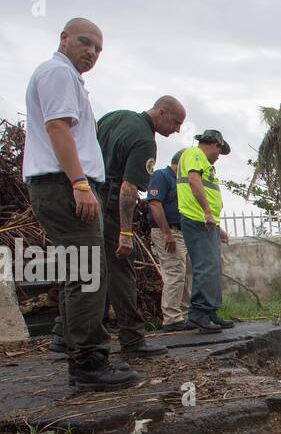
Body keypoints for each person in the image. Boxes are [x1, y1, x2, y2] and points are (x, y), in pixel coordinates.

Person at [22, 17, 135, 391]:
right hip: (64, 185)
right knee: (89, 272)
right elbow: (58, 128)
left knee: (79, 270)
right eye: (86, 43)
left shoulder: (63, 75)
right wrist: (80, 183)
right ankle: (89, 363)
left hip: (59, 185)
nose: (92, 52)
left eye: (98, 49)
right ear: (64, 38)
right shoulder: (58, 74)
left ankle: (76, 350)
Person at [95, 97, 186, 354]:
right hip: (111, 206)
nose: (177, 130)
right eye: (176, 122)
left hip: (89, 198)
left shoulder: (114, 116)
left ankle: (64, 333)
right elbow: (128, 188)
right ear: (161, 112)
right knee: (121, 269)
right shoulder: (145, 140)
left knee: (89, 268)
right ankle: (133, 338)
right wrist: (125, 231)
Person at [177, 129, 234, 332]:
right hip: (196, 219)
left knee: (213, 267)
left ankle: (210, 312)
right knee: (205, 266)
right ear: (215, 144)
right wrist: (207, 212)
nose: (218, 157)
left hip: (207, 222)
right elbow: (194, 181)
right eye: (220, 152)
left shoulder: (205, 163)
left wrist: (218, 227)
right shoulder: (194, 154)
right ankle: (198, 314)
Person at [147, 150, 192, 331]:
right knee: (174, 272)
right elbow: (155, 204)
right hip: (167, 232)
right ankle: (172, 318)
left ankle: (183, 314)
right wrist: (167, 233)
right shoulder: (162, 176)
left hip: (182, 232)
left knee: (184, 274)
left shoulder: (182, 181)